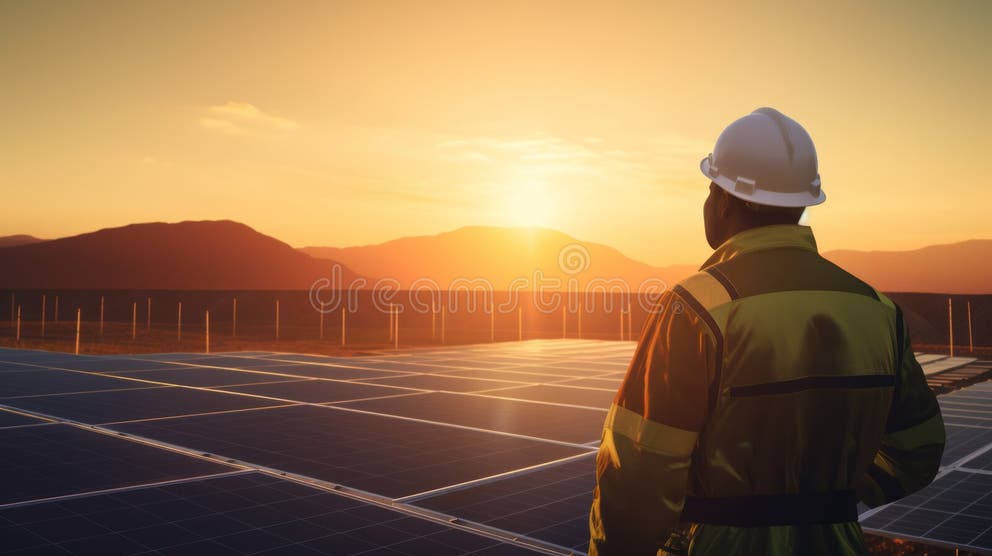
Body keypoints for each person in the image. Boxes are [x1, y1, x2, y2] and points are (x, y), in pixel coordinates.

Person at [588, 107, 945, 555]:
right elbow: (918, 447)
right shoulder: (877, 309)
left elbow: (638, 474)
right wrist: (829, 497)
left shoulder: (695, 308)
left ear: (722, 199)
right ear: (801, 203)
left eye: (710, 188)